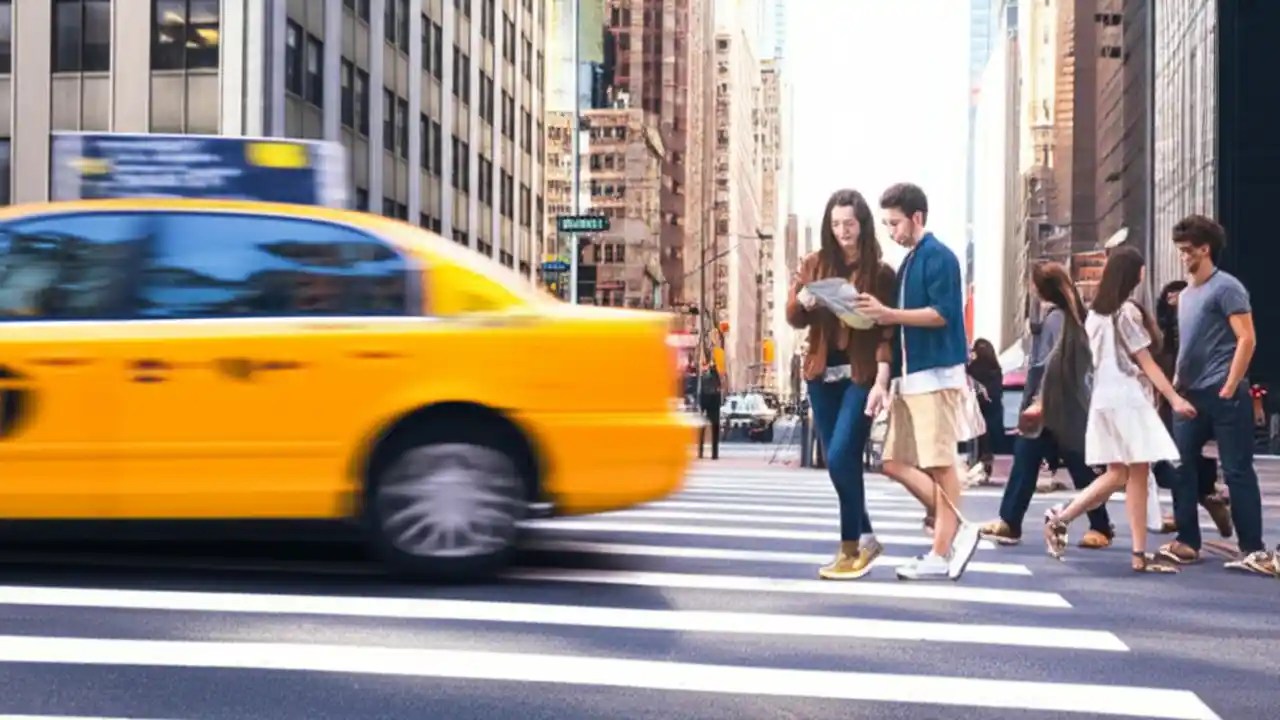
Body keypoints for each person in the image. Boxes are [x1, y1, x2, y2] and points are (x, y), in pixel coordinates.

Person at [854, 182, 981, 581]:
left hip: (937, 377)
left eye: (895, 223)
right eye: (887, 225)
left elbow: (944, 314)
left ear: (917, 218)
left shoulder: (939, 257)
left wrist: (888, 314)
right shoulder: (910, 261)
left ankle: (941, 551)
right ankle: (956, 523)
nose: (892, 232)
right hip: (912, 380)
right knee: (892, 462)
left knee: (941, 464)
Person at [1041, 247, 1194, 573]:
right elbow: (1147, 363)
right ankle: (1138, 555)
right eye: (1140, 269)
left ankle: (1062, 517)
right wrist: (1175, 398)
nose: (1143, 274)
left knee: (1119, 473)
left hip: (1104, 401)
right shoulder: (1125, 314)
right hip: (1128, 398)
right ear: (1132, 274)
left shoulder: (1095, 317)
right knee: (1134, 473)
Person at [787, 189, 900, 580]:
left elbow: (888, 332)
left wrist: (883, 377)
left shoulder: (881, 273)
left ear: (863, 224)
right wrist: (803, 300)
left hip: (860, 377)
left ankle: (851, 547)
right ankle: (864, 538)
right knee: (843, 461)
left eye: (849, 224)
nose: (842, 232)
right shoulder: (815, 264)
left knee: (838, 457)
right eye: (835, 224)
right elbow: (793, 317)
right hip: (821, 375)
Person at [1160, 215, 1276, 575]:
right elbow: (1190, 344)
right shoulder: (1189, 294)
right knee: (1181, 467)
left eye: (1186, 250)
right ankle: (1187, 542)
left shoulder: (1227, 288)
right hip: (1190, 394)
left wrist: (1230, 384)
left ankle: (1253, 549)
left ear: (1205, 249)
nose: (1182, 256)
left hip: (1224, 393)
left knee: (1237, 470)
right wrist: (1177, 383)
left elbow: (1247, 338)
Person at [980, 262, 1114, 547]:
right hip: (1062, 407)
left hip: (1056, 407)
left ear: (1040, 289)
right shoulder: (1067, 317)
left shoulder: (1057, 319)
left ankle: (1099, 526)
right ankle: (1011, 522)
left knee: (1072, 467)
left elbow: (1052, 365)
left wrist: (1040, 402)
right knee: (1033, 461)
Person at [1151, 279, 1233, 537]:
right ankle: (1203, 496)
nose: (1174, 300)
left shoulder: (1201, 330)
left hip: (1193, 398)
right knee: (1170, 464)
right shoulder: (1160, 340)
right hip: (1169, 403)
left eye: (1180, 295)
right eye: (1170, 296)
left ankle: (1195, 509)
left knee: (1178, 463)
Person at [965, 338, 1004, 482]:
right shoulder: (996, 370)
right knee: (986, 447)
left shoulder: (972, 369)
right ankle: (984, 469)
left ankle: (976, 467)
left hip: (977, 415)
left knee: (977, 444)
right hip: (992, 416)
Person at [696, 356, 723, 460]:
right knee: (712, 429)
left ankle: (703, 452)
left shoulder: (706, 376)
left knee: (704, 429)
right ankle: (713, 453)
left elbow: (702, 393)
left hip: (708, 405)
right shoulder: (710, 376)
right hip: (712, 405)